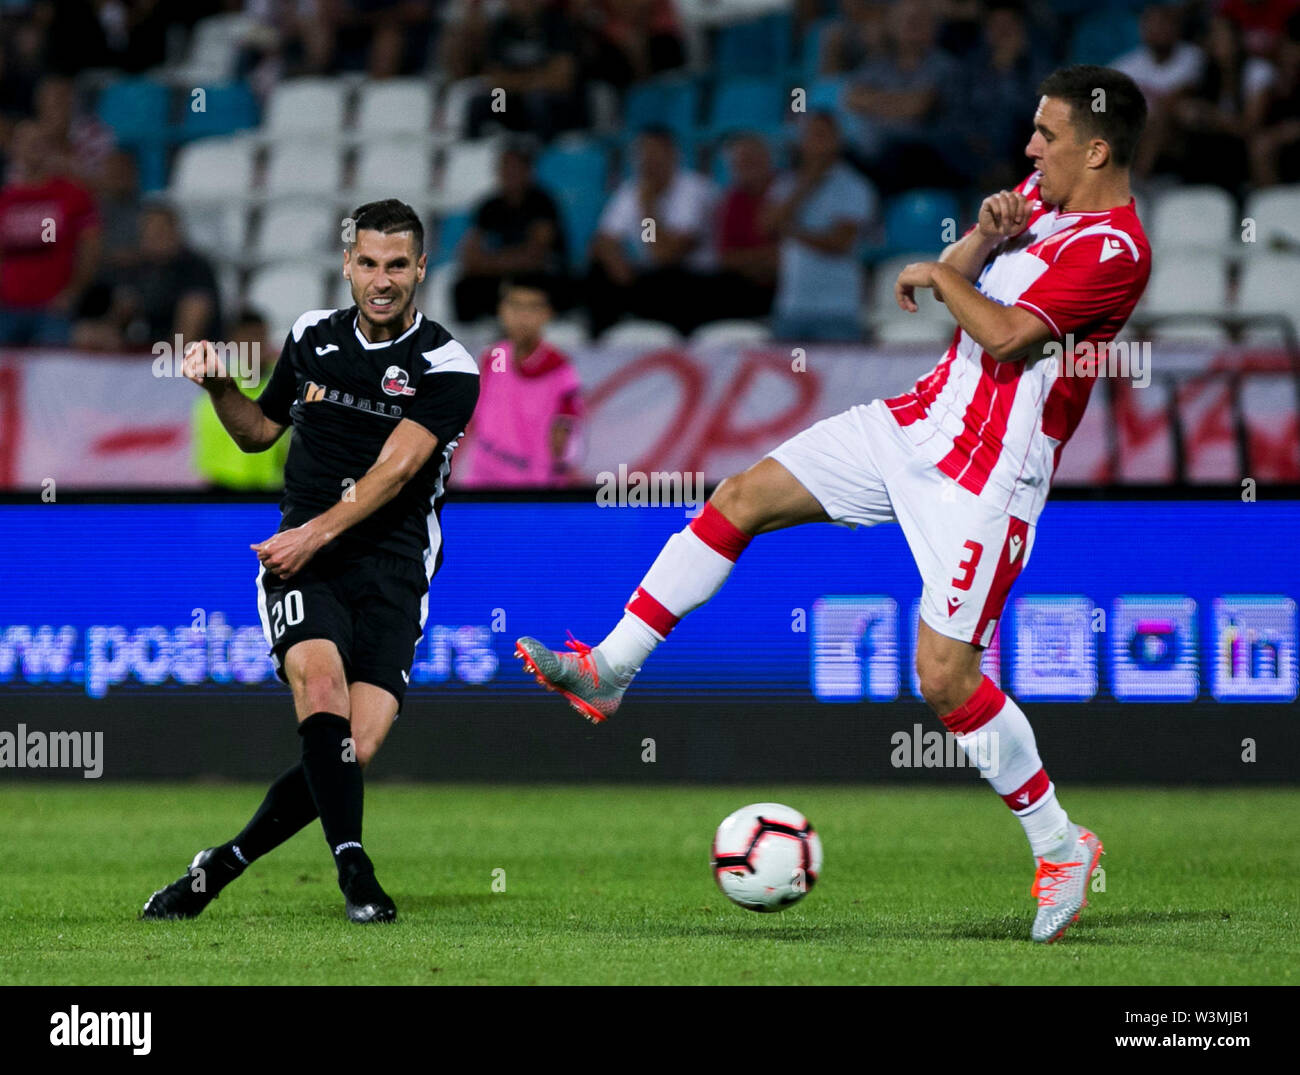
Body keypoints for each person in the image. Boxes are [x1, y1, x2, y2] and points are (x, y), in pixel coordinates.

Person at [516, 65, 1152, 945]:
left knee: (944, 677)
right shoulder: (1036, 204)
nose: (1029, 146)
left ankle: (1061, 844)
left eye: (1045, 134)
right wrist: (978, 239)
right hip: (915, 421)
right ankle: (610, 669)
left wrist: (941, 268)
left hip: (989, 475)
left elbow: (1006, 334)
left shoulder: (1117, 249)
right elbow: (959, 287)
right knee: (739, 496)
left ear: (1096, 147)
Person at [141, 200, 479, 924]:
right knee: (319, 685)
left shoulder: (448, 365)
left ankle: (219, 866)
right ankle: (354, 869)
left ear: (420, 268)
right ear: (347, 264)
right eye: (367, 263)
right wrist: (220, 388)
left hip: (391, 565)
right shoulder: (310, 337)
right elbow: (260, 432)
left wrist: (313, 532)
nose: (381, 280)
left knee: (354, 745)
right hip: (307, 561)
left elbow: (394, 473)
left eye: (397, 265)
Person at [585, 124, 718, 337]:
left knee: (669, 279)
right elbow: (602, 240)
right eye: (642, 154)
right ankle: (599, 347)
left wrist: (648, 210)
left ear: (672, 155)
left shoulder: (694, 190)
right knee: (598, 272)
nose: (647, 161)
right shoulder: (632, 190)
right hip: (649, 279)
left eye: (654, 153)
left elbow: (665, 255)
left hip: (693, 282)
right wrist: (617, 265)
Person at [457, 274, 584, 488]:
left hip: (533, 488)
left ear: (547, 314)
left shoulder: (559, 366)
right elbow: (475, 414)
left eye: (532, 308)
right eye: (515, 306)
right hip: (483, 483)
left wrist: (561, 444)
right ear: (501, 311)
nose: (522, 316)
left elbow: (567, 428)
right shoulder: (494, 357)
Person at [765, 110, 876, 342]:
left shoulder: (855, 186)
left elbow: (840, 243)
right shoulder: (786, 183)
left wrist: (792, 230)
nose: (818, 142)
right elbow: (767, 225)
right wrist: (807, 184)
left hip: (838, 309)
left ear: (838, 140)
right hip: (791, 306)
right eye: (812, 135)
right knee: (786, 378)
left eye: (824, 135)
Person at [0, 120, 101, 346]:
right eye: (25, 142)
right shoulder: (5, 199)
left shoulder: (74, 195)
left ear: (50, 148)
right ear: (13, 149)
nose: (31, 148)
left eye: (39, 142)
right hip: (7, 308)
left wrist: (73, 292)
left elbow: (91, 251)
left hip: (53, 309)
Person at [453, 139, 568, 323]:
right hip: (500, 275)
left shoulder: (543, 203)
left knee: (538, 286)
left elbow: (536, 256)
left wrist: (491, 262)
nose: (510, 173)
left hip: (535, 276)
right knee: (464, 288)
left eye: (516, 168)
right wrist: (503, 263)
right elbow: (469, 256)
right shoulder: (488, 206)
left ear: (528, 171)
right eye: (505, 167)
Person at [192, 308, 291, 491]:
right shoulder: (218, 379)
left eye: (259, 337)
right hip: (222, 484)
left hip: (269, 485)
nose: (255, 344)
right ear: (234, 341)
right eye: (248, 338)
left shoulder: (281, 375)